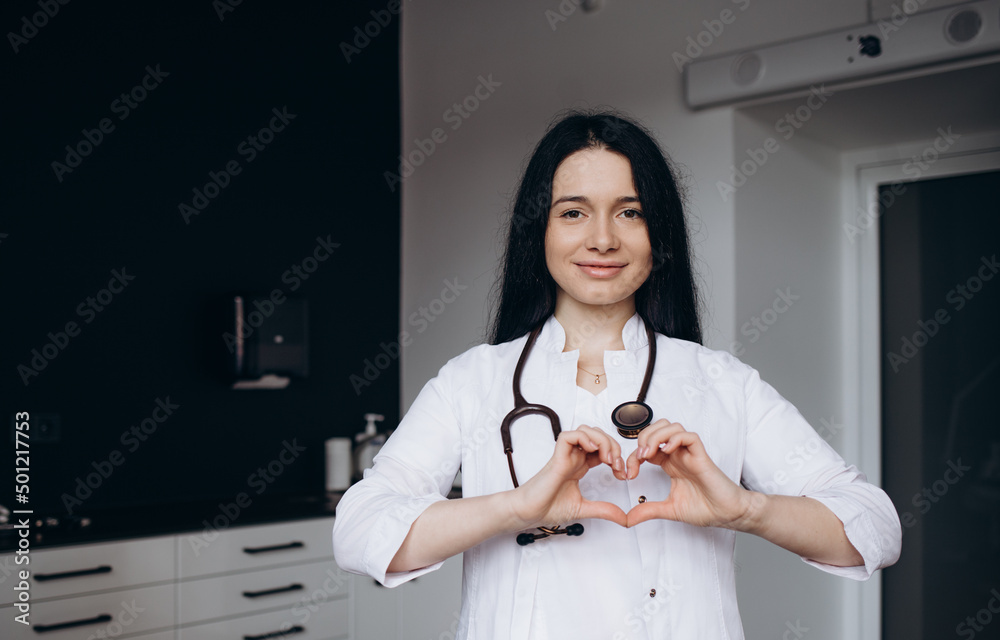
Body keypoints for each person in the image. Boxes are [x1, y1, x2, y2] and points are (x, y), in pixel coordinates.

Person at [333, 110, 902, 639]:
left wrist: (744, 510)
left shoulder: (722, 382)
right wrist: (516, 507)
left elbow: (874, 528)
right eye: (573, 212)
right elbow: (359, 533)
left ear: (660, 234)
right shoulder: (473, 381)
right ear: (540, 231)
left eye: (630, 212)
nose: (603, 238)